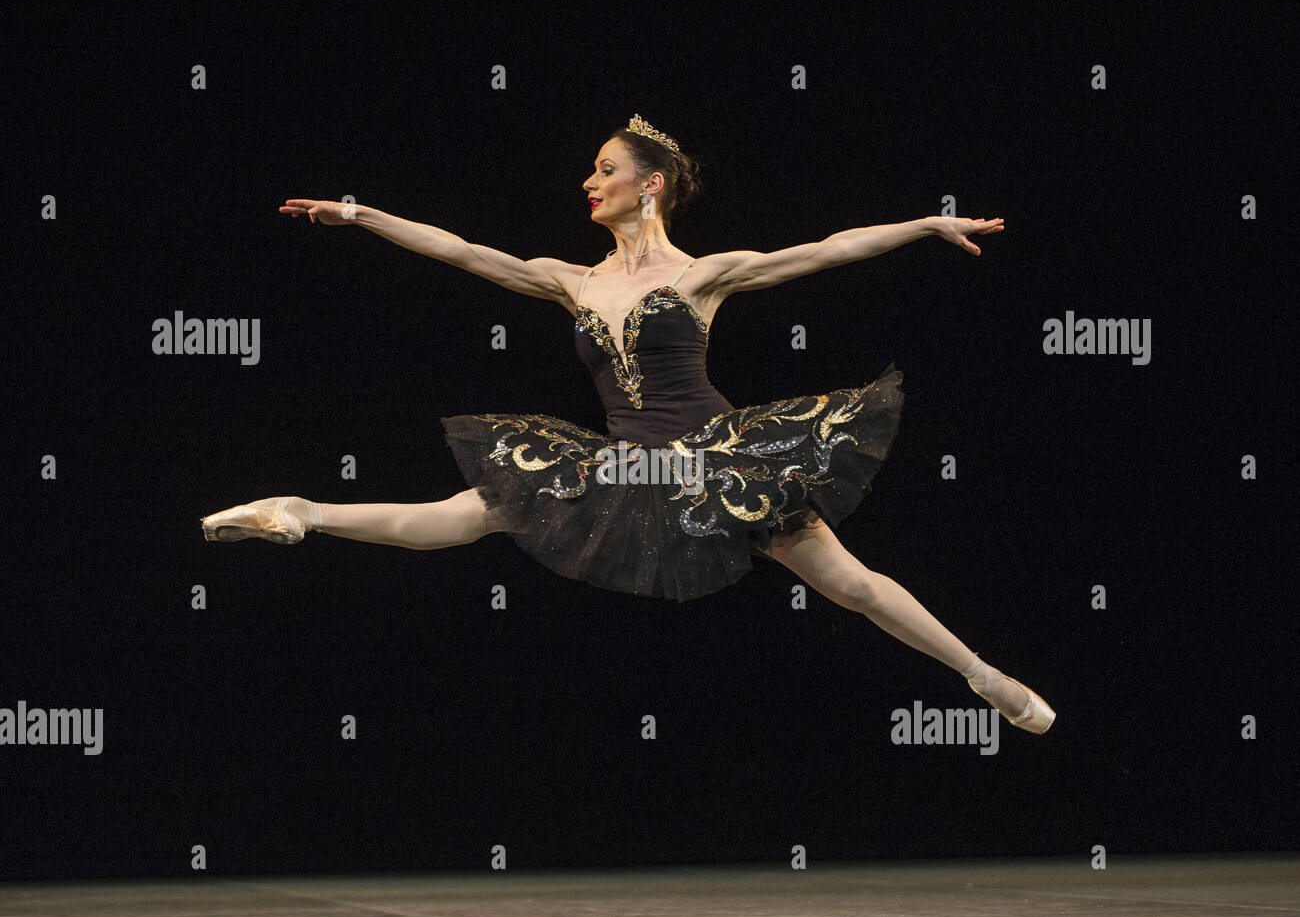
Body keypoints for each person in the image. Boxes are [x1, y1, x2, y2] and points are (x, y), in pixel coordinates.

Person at [201, 115, 1053, 733]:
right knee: (477, 509)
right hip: (631, 462)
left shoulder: (704, 274)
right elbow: (461, 250)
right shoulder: (569, 279)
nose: (588, 181)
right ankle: (302, 511)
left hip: (719, 458)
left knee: (853, 586)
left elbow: (827, 248)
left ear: (650, 183)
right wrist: (358, 215)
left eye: (604, 168)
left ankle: (985, 676)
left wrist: (925, 224)